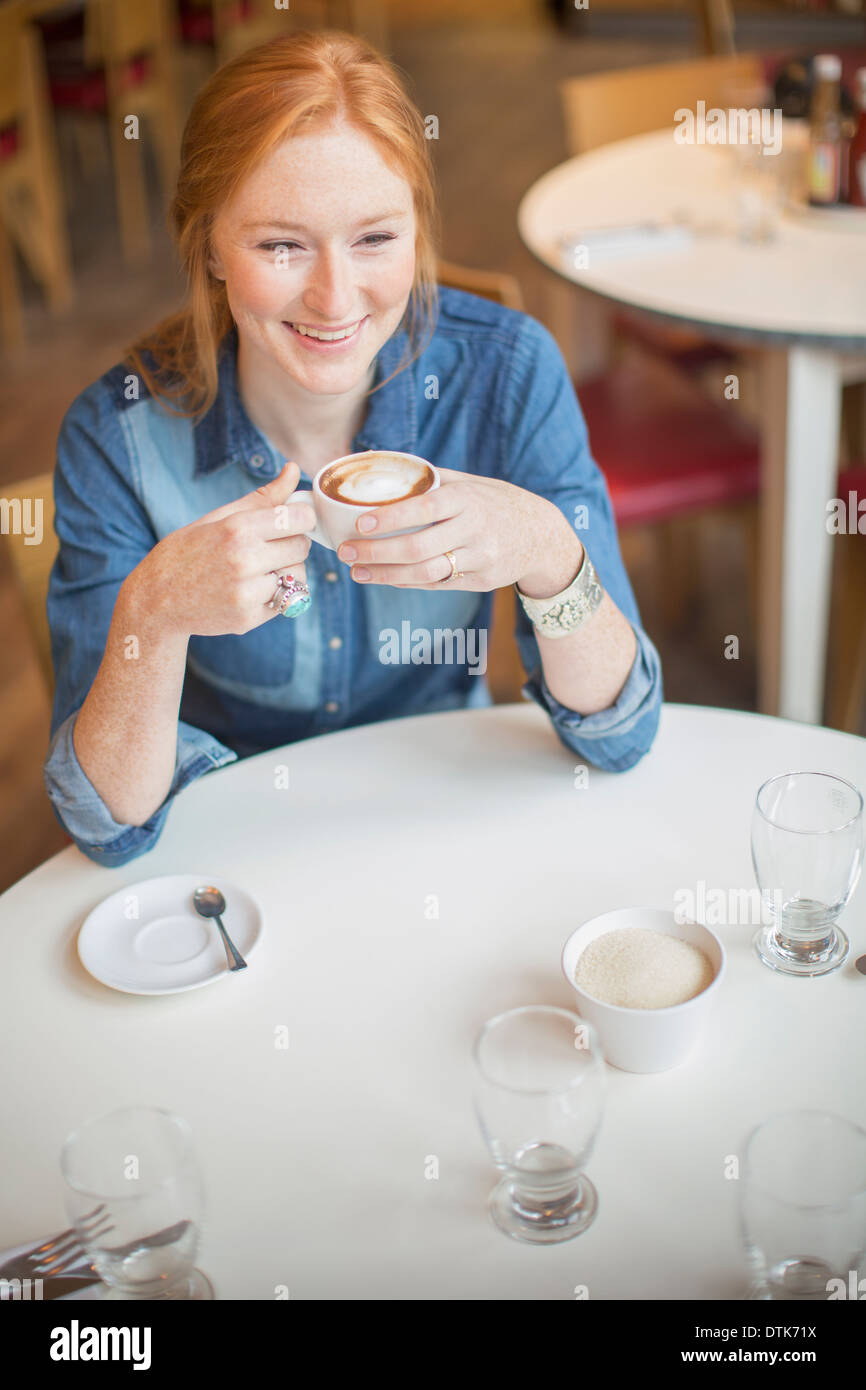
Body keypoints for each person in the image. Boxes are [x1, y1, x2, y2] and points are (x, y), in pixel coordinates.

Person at [43, 30, 662, 869]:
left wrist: (552, 553)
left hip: (444, 823)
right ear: (211, 249)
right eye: (280, 245)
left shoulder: (508, 373)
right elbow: (106, 824)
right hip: (239, 860)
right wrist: (152, 616)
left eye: (374, 239)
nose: (336, 299)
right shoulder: (115, 435)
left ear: (417, 229)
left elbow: (620, 735)